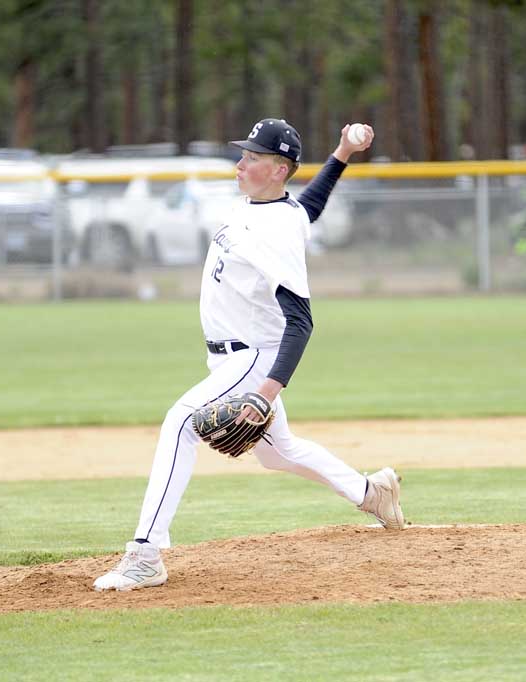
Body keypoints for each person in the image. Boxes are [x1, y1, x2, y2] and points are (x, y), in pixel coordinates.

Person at [94, 118, 405, 592]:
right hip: (229, 358)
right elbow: (309, 207)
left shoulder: (275, 233)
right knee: (279, 454)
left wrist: (265, 392)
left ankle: (145, 552)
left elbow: (300, 323)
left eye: (253, 158)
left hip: (253, 357)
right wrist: (341, 152)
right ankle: (371, 493)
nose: (240, 164)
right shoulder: (270, 209)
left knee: (180, 423)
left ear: (279, 170)